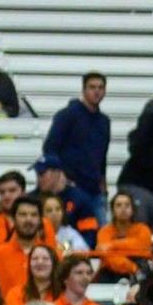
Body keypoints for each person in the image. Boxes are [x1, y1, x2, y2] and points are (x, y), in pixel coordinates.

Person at [44, 73, 110, 222]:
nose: (96, 91)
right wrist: (60, 177)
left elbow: (102, 157)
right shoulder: (67, 115)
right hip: (71, 188)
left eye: (100, 87)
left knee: (100, 236)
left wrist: (103, 188)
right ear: (83, 90)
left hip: (94, 190)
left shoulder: (104, 121)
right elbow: (49, 148)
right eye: (92, 87)